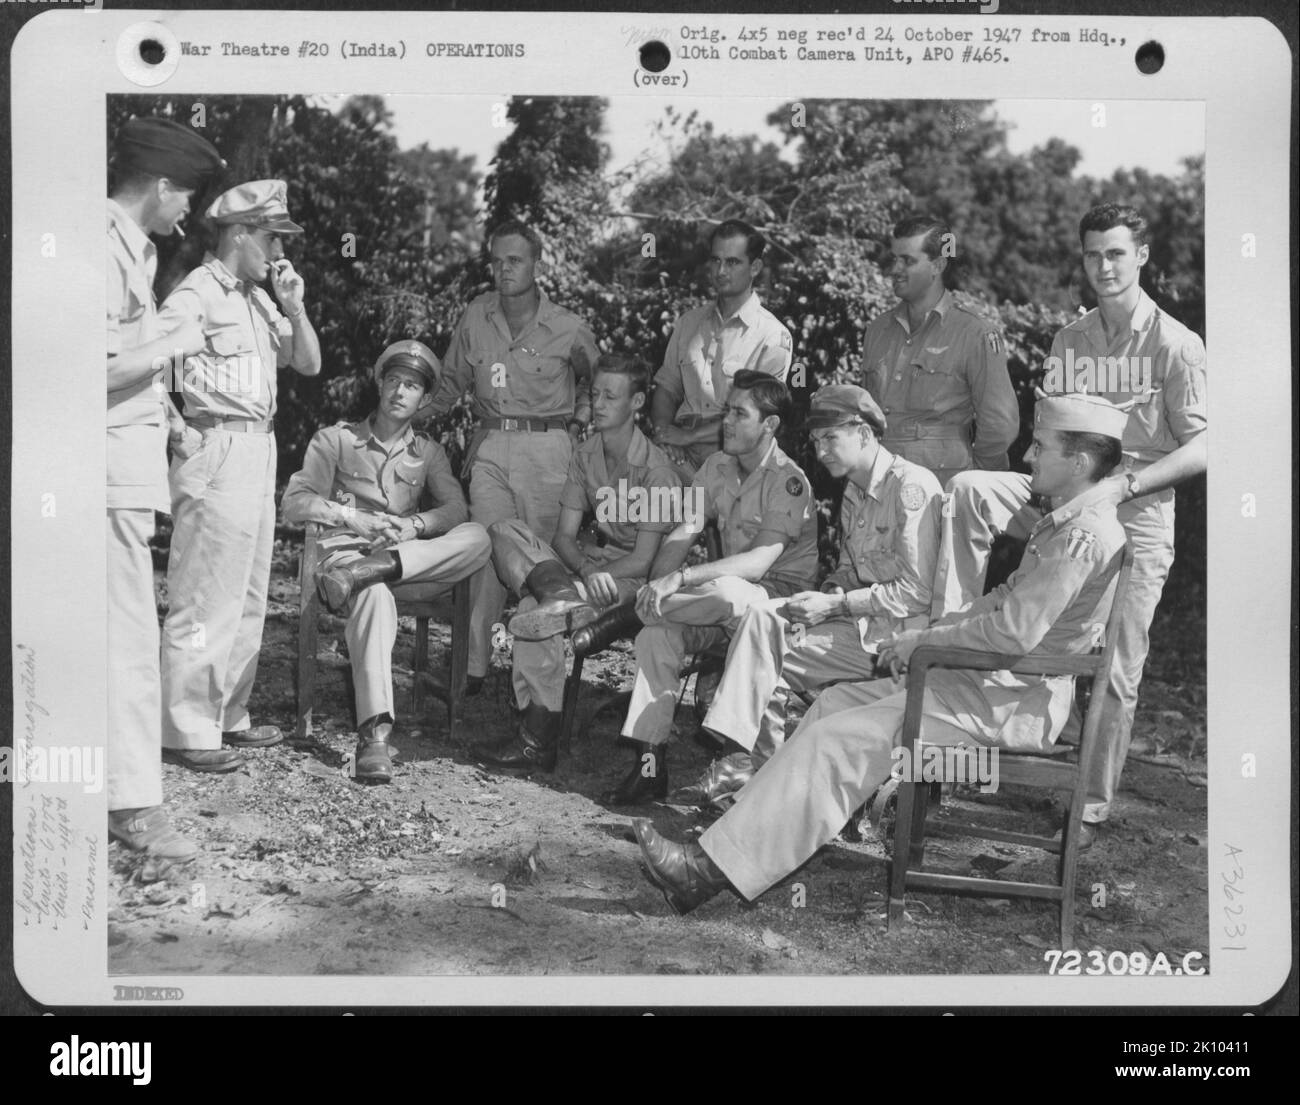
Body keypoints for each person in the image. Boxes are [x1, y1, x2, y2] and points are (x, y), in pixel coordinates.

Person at [630, 394, 1129, 914]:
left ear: (1079, 463)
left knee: (837, 741)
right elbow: (1001, 606)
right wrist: (938, 633)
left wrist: (922, 641)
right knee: (829, 707)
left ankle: (706, 872)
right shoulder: (1066, 523)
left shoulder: (1083, 537)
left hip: (1006, 702)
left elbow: (1012, 636)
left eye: (1041, 447)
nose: (1027, 456)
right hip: (979, 685)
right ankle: (741, 842)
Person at [934, 203, 1207, 840]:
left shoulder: (1176, 344)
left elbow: (1203, 446)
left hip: (1136, 508)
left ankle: (1087, 806)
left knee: (1115, 663)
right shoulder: (1071, 339)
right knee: (970, 490)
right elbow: (1050, 441)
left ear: (1141, 255)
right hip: (1064, 499)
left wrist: (1127, 484)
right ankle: (945, 657)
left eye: (1115, 253)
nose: (1103, 266)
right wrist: (1031, 512)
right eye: (1092, 254)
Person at [686, 384, 943, 805]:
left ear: (863, 433)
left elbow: (917, 593)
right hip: (856, 626)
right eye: (816, 440)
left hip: (896, 638)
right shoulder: (855, 492)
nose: (821, 450)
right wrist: (826, 595)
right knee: (764, 620)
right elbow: (847, 568)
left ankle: (745, 765)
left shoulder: (910, 488)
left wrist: (837, 604)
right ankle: (753, 772)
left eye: (831, 438)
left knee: (768, 652)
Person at [156, 180, 322, 771]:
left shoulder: (259, 298)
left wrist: (295, 305)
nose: (280, 250)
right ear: (240, 233)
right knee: (204, 595)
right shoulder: (197, 294)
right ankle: (184, 728)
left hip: (259, 451)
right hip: (218, 446)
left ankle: (228, 714)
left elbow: (307, 362)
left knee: (248, 592)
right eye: (273, 236)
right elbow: (148, 364)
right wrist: (177, 426)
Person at [606, 370, 818, 805]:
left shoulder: (789, 480)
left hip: (777, 609)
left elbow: (758, 566)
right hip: (714, 607)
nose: (726, 422)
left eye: (740, 414)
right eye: (727, 412)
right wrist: (657, 585)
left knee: (730, 593)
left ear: (770, 425)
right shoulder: (716, 466)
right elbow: (684, 531)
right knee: (656, 635)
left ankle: (629, 614)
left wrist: (679, 579)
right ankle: (649, 765)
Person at [282, 341, 491, 782]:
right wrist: (350, 517)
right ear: (380, 383)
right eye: (393, 380)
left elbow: (456, 511)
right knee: (373, 595)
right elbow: (294, 502)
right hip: (346, 557)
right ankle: (374, 737)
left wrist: (414, 525)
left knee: (478, 538)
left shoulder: (428, 453)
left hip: (406, 564)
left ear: (424, 399)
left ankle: (372, 571)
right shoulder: (336, 440)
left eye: (411, 385)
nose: (399, 391)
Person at [105, 116, 224, 858]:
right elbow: (87, 366)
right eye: (186, 199)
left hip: (121, 467)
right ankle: (132, 804)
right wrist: (177, 344)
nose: (188, 215)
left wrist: (170, 417)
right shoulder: (103, 245)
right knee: (125, 640)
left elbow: (122, 360)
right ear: (161, 186)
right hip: (105, 475)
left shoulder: (129, 249)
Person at [472, 354, 681, 773]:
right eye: (595, 394)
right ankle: (560, 596)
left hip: (632, 579)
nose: (598, 404)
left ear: (637, 402)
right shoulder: (586, 453)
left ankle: (536, 739)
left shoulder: (656, 470)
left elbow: (643, 558)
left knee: (533, 610)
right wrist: (584, 569)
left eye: (611, 396)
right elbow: (563, 537)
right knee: (502, 530)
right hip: (590, 569)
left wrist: (593, 573)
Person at [424, 220, 599, 697]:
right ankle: (472, 668)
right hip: (491, 447)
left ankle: (537, 695)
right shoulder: (476, 316)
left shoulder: (567, 326)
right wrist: (402, 417)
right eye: (498, 260)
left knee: (538, 564)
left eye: (515, 260)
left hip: (550, 453)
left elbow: (600, 382)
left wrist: (581, 422)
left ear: (537, 265)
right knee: (485, 549)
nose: (505, 269)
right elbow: (450, 384)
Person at [861, 214, 1018, 489]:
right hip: (879, 486)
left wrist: (972, 479)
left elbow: (999, 425)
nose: (894, 269)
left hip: (942, 492)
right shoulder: (877, 330)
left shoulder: (975, 333)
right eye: (894, 258)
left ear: (938, 265)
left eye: (907, 260)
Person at [650, 219, 793, 476]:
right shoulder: (688, 323)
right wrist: (665, 435)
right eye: (716, 260)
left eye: (733, 262)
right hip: (678, 453)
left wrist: (688, 436)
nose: (721, 271)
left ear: (755, 267)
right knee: (637, 486)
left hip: (733, 457)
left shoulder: (772, 336)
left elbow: (754, 417)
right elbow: (666, 388)